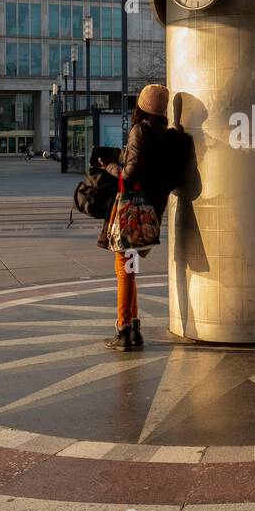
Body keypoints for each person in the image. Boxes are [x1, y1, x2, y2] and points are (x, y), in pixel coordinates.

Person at [97, 83, 176, 351]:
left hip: (132, 211)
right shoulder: (167, 134)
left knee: (124, 270)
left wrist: (107, 165)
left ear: (141, 107)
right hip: (152, 211)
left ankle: (123, 329)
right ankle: (133, 328)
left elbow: (129, 174)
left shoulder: (140, 130)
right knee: (129, 269)